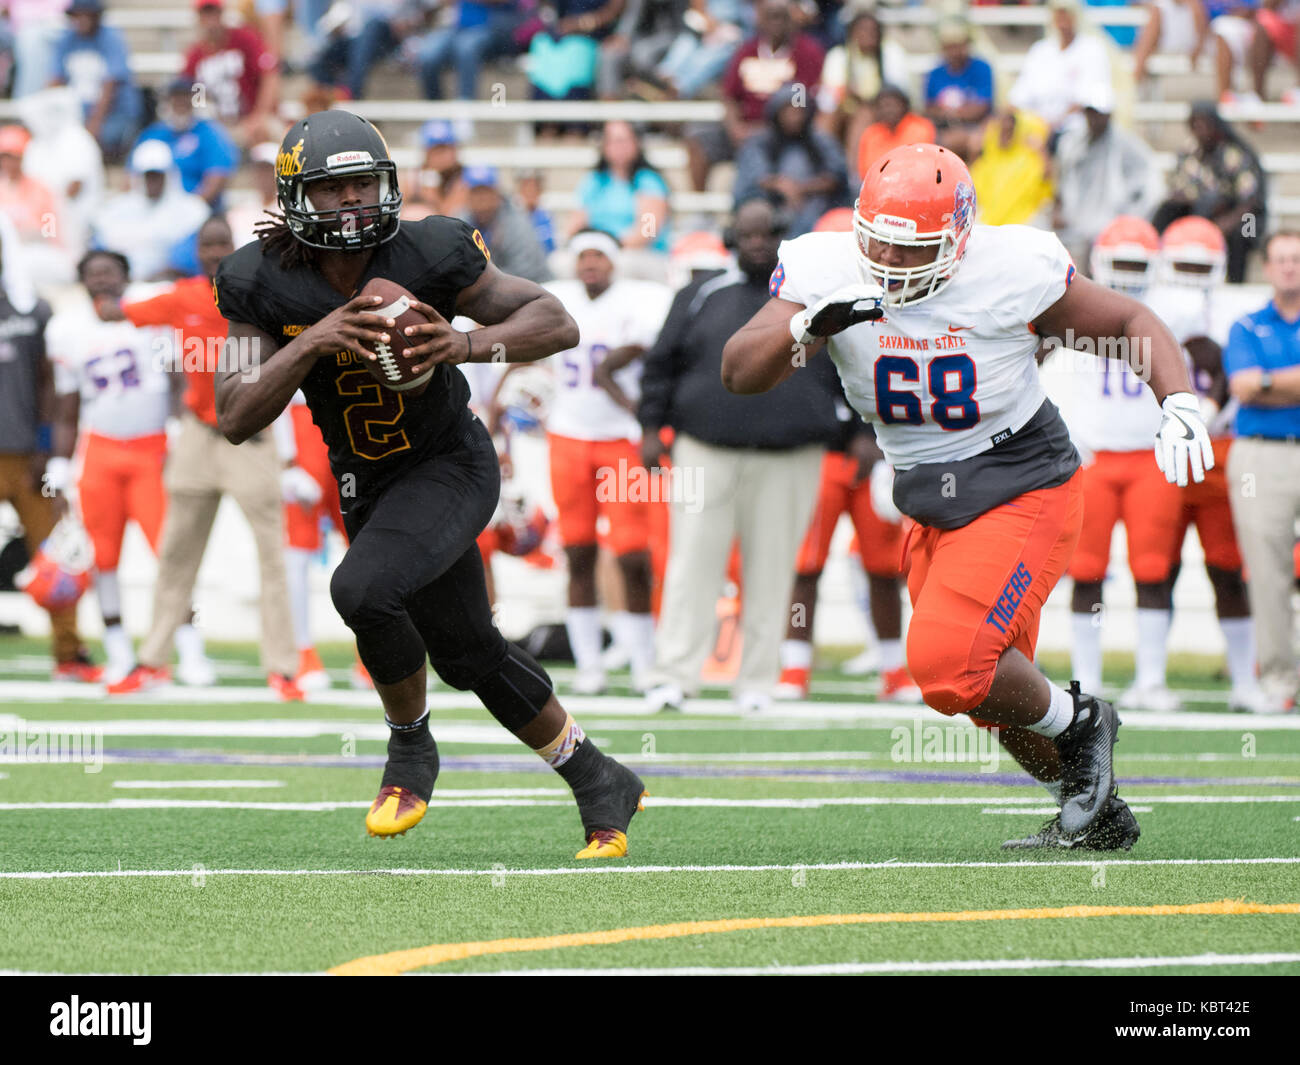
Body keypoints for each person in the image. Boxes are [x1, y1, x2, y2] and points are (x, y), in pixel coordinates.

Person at [722, 143, 1217, 850]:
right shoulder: (823, 269)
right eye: (880, 245)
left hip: (1021, 478)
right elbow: (739, 373)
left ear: (958, 239)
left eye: (910, 249)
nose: (890, 264)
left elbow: (1128, 324)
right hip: (928, 496)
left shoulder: (1009, 270)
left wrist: (1180, 402)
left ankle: (1083, 723)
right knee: (989, 690)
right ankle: (1093, 810)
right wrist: (804, 326)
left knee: (949, 664)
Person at [211, 110, 647, 858]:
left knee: (359, 591)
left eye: (362, 184)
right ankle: (598, 776)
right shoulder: (259, 279)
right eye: (332, 188)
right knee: (469, 651)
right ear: (295, 197)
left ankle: (410, 748)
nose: (351, 201)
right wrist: (313, 341)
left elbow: (557, 320)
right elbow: (235, 413)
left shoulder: (433, 248)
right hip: (367, 482)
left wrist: (467, 342)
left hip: (451, 462)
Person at [639, 197, 843, 715]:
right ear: (732, 237)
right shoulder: (700, 292)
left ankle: (757, 681)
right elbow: (660, 365)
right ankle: (674, 675)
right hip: (705, 448)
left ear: (783, 236)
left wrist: (856, 432)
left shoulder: (811, 295)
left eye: (768, 232)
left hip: (791, 453)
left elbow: (848, 368)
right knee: (691, 564)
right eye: (748, 234)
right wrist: (648, 428)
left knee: (773, 569)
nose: (758, 242)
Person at [106, 217, 299, 698]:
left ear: (235, 249)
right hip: (198, 432)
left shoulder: (263, 291)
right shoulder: (185, 295)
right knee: (176, 553)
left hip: (252, 435)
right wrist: (104, 291)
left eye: (222, 245)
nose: (216, 253)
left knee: (272, 554)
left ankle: (283, 667)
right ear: (198, 252)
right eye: (208, 245)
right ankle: (151, 660)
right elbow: (122, 311)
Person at [46, 250, 208, 686]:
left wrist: (177, 431)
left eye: (110, 273)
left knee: (170, 554)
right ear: (81, 282)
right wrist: (59, 465)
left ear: (127, 276)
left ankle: (190, 649)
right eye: (93, 275)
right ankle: (119, 651)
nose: (101, 281)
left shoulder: (149, 311)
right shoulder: (66, 329)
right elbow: (67, 406)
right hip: (99, 450)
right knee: (104, 558)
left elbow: (178, 379)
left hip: (151, 448)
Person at [1050, 217, 1186, 712]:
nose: (1128, 274)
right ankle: (1087, 679)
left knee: (1153, 570)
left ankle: (1151, 678)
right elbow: (1054, 379)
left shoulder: (1168, 312)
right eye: (1121, 263)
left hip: (1149, 455)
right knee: (1087, 572)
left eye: (1137, 264)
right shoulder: (1082, 311)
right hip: (1097, 455)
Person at [528, 230, 671, 694]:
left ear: (614, 262)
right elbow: (520, 352)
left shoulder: (641, 301)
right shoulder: (557, 297)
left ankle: (643, 661)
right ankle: (590, 664)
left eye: (599, 256)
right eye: (583, 256)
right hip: (567, 436)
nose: (590, 264)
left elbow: (650, 353)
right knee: (578, 551)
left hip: (620, 443)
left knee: (632, 554)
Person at [1157, 216, 1269, 712]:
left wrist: (1208, 407)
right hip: (1159, 452)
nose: (1188, 274)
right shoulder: (1144, 306)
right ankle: (1150, 677)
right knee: (1158, 569)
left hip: (1217, 448)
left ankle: (1245, 680)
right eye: (1181, 263)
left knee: (1227, 569)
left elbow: (1231, 371)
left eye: (1198, 265)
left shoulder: (1234, 312)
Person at [0, 213, 100, 681]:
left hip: (27, 457)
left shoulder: (33, 309)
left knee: (56, 555)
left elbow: (50, 383)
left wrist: (45, 446)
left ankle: (69, 652)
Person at [1225, 229, 1300, 713]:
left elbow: (1260, 384)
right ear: (1267, 267)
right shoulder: (1247, 325)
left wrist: (1270, 382)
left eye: (1297, 259)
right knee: (1268, 572)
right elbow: (1245, 387)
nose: (1290, 267)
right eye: (1282, 259)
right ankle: (1280, 681)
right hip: (1261, 454)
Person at [684, 0, 824, 194]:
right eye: (771, 17)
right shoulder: (746, 51)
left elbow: (800, 103)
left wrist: (765, 128)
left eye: (781, 17)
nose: (776, 23)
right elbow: (730, 96)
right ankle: (699, 206)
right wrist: (735, 127)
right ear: (760, 20)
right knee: (698, 138)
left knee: (758, 146)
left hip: (782, 134)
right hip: (744, 128)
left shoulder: (805, 52)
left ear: (790, 19)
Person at [1052, 83, 1162, 271]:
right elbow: (1061, 185)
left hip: (1112, 223)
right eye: (1090, 112)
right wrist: (1059, 211)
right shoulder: (1071, 144)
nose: (1094, 118)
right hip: (1076, 221)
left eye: (1098, 113)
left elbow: (1152, 186)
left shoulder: (1128, 146)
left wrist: (1129, 219)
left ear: (1109, 114)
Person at [1153, 101, 1267, 283]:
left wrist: (1224, 224)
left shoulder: (1236, 153)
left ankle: (1237, 283)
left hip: (1243, 214)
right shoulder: (1188, 151)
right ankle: (1157, 266)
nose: (1200, 129)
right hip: (1203, 211)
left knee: (1244, 233)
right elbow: (1179, 189)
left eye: (1205, 124)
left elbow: (1250, 201)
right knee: (1167, 210)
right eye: (1195, 124)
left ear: (1216, 126)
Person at [734, 82, 848, 239]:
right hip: (772, 207)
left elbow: (836, 175)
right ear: (776, 112)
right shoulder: (760, 142)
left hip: (818, 207)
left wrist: (802, 189)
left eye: (799, 111)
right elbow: (756, 177)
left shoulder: (821, 141)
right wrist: (781, 185)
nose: (794, 117)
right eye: (788, 110)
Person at [90, 139, 211, 282]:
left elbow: (185, 262)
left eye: (157, 175)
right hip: (122, 285)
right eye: (148, 175)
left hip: (169, 286)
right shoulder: (114, 211)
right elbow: (99, 253)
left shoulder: (193, 211)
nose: (152, 181)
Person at [49, 0, 142, 161]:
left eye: (87, 15)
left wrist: (94, 125)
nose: (82, 20)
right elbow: (56, 80)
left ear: (96, 16)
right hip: (78, 112)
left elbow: (110, 86)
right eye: (78, 15)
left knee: (107, 136)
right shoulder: (66, 40)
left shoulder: (111, 38)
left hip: (114, 114)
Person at [1006, 0, 1112, 135]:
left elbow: (1089, 99)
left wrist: (1054, 123)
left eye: (1067, 14)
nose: (1063, 21)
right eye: (1059, 14)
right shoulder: (1040, 50)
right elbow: (1018, 97)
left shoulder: (1092, 49)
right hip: (1036, 130)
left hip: (1074, 130)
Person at [568, 121, 671, 257]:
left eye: (623, 140)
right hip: (597, 253)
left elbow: (648, 232)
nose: (618, 147)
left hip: (639, 254)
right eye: (612, 141)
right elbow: (575, 225)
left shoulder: (649, 182)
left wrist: (612, 248)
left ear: (636, 143)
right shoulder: (593, 181)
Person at [133, 78, 240, 209]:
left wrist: (189, 211)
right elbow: (132, 176)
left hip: (197, 211)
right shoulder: (153, 134)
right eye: (175, 97)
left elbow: (217, 177)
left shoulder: (210, 133)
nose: (180, 102)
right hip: (153, 209)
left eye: (184, 97)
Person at [816, 3, 909, 152]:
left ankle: (854, 173)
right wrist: (845, 94)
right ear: (852, 33)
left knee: (862, 116)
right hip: (843, 108)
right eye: (863, 30)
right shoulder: (838, 56)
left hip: (880, 110)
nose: (868, 34)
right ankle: (826, 164)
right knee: (825, 120)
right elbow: (827, 99)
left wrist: (869, 98)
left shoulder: (891, 54)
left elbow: (899, 94)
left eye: (873, 31)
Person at [183, 0, 280, 143]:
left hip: (250, 118)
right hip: (216, 126)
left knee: (273, 132)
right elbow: (194, 96)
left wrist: (259, 115)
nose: (211, 20)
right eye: (206, 14)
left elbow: (269, 74)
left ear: (221, 13)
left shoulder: (244, 39)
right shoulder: (195, 56)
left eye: (214, 13)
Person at [458, 165, 552, 284]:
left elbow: (524, 272)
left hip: (534, 288)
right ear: (466, 194)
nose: (481, 199)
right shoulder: (461, 220)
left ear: (497, 193)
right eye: (476, 192)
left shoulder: (516, 222)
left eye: (486, 192)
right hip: (488, 289)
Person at [922, 17, 993, 162]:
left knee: (974, 143)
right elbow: (929, 109)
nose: (955, 52)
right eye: (950, 47)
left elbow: (982, 108)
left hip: (975, 127)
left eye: (959, 46)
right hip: (943, 128)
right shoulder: (935, 73)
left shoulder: (982, 68)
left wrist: (949, 112)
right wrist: (955, 113)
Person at [853, 85, 935, 183]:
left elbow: (924, 166)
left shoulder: (921, 128)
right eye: (882, 106)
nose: (887, 110)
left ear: (904, 105)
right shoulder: (871, 134)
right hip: (879, 188)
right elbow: (865, 172)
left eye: (892, 105)